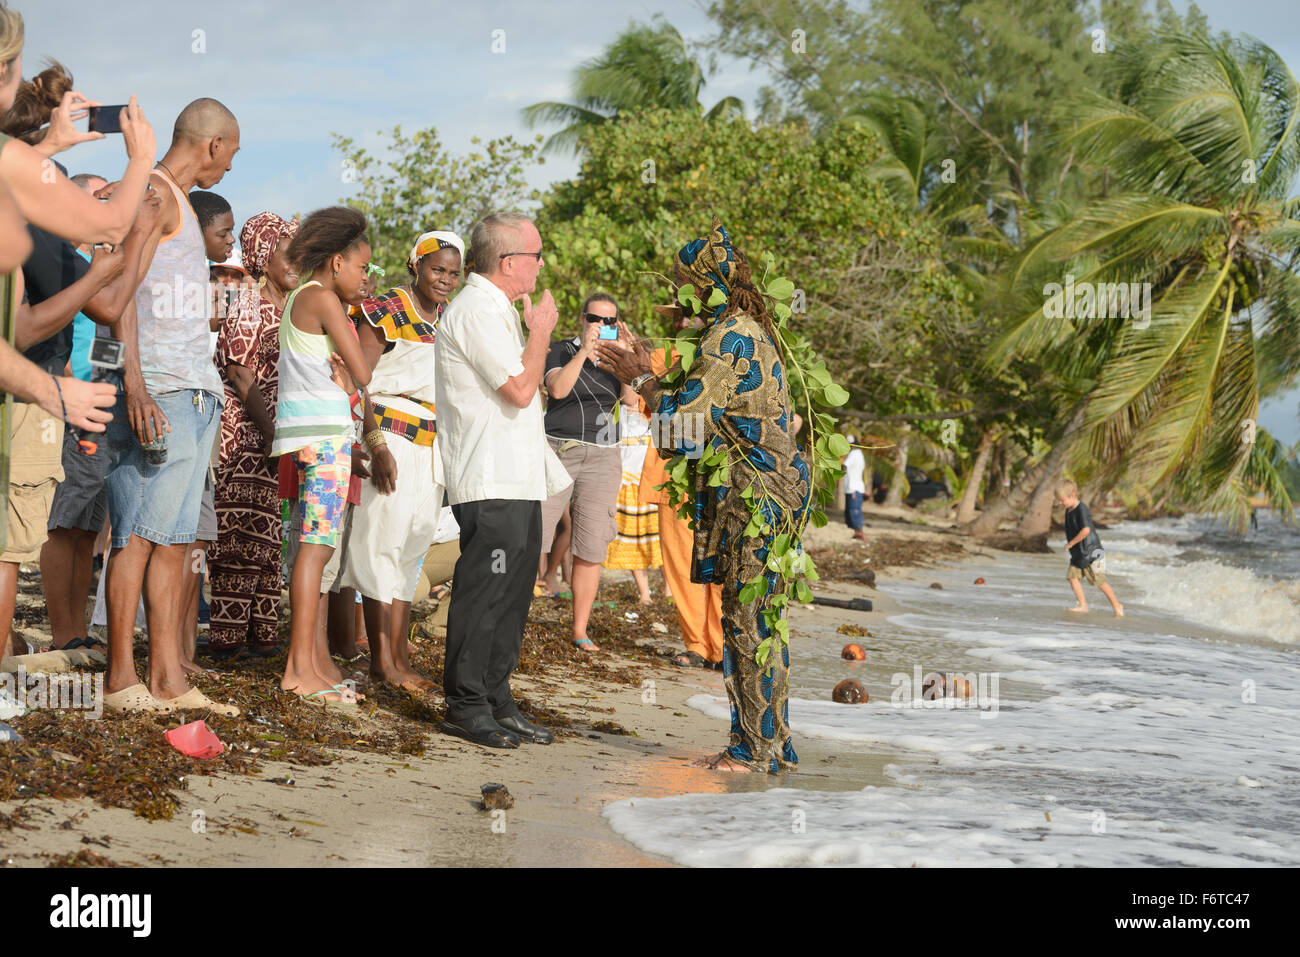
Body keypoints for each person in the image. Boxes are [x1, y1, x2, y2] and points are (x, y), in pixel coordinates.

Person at [597, 218, 810, 773]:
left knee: (747, 622)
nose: (676, 295)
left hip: (754, 499)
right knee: (762, 622)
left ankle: (754, 749)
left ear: (704, 283)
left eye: (681, 283)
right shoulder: (752, 331)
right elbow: (709, 417)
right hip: (773, 494)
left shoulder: (728, 338)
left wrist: (643, 381)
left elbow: (680, 434)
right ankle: (773, 744)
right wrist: (655, 379)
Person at [98, 97, 240, 716]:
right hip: (160, 389)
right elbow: (118, 288)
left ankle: (167, 681)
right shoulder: (153, 194)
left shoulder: (178, 201)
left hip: (192, 389)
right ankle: (121, 678)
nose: (231, 166)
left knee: (175, 541)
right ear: (211, 144)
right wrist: (133, 383)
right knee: (135, 533)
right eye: (231, 153)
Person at [434, 211, 568, 749]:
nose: (541, 265)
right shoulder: (475, 310)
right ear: (510, 262)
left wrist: (531, 331)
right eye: (537, 256)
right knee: (484, 592)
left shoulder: (497, 308)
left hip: (516, 474)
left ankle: (496, 697)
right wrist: (541, 334)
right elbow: (519, 389)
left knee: (513, 595)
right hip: (488, 475)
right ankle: (465, 703)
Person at [338, 229, 462, 690]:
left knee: (410, 551)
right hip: (389, 437)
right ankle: (380, 661)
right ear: (416, 266)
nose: (445, 279)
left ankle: (398, 660)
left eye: (453, 272)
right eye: (437, 269)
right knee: (378, 547)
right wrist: (375, 444)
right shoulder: (386, 309)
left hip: (431, 446)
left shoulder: (450, 319)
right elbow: (359, 380)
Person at [271, 206, 372, 704]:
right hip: (327, 439)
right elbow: (363, 372)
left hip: (309, 437)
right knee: (316, 549)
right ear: (336, 262)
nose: (366, 277)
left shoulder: (296, 298)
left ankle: (310, 664)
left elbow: (349, 375)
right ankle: (298, 670)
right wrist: (351, 372)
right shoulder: (324, 300)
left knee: (313, 546)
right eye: (361, 267)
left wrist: (348, 376)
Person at [207, 211, 298, 659]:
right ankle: (225, 643)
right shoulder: (247, 301)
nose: (297, 260)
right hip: (243, 435)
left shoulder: (292, 308)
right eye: (288, 251)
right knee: (239, 543)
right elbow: (242, 376)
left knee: (265, 541)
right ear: (264, 253)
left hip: (270, 439)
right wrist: (272, 437)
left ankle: (262, 638)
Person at [536, 292, 636, 652]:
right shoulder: (561, 349)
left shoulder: (616, 358)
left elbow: (631, 401)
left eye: (610, 321)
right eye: (596, 319)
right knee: (535, 534)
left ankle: (580, 630)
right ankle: (514, 613)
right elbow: (558, 389)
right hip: (558, 449)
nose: (602, 326)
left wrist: (625, 359)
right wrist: (583, 352)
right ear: (583, 318)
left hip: (604, 455)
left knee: (591, 545)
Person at [636, 315, 724, 670]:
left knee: (719, 564)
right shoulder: (662, 355)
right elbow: (649, 409)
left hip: (719, 472)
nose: (688, 318)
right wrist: (638, 365)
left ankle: (721, 645)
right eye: (682, 311)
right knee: (681, 563)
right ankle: (696, 643)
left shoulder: (726, 354)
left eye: (697, 311)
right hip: (673, 474)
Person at [603, 388, 666, 605]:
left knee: (660, 539)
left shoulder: (653, 415)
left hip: (651, 486)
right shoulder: (615, 416)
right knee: (632, 542)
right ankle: (645, 593)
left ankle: (669, 589)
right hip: (626, 487)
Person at [1055, 479, 1123, 617]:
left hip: (1093, 553)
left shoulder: (1082, 509)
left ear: (1072, 495)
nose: (1060, 503)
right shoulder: (1069, 511)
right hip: (1079, 554)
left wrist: (1071, 543)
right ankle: (1083, 605)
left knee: (1099, 581)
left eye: (1062, 500)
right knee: (1072, 577)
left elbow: (1085, 530)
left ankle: (1117, 605)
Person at [842, 435, 867, 541]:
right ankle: (857, 532)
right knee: (853, 510)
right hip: (855, 487)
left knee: (854, 510)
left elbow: (844, 466)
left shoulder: (854, 454)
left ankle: (859, 532)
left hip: (853, 487)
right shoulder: (859, 454)